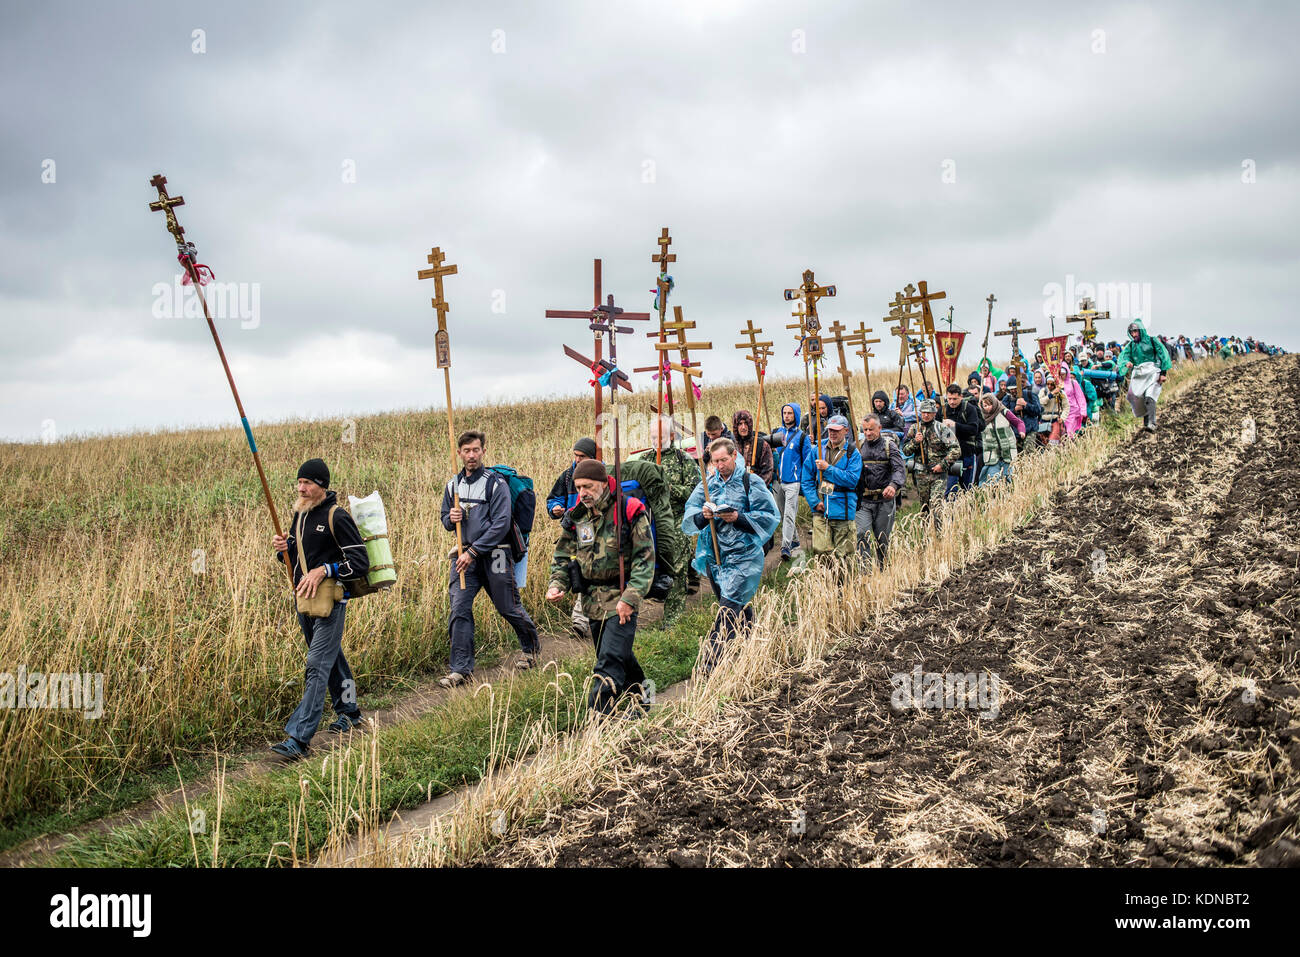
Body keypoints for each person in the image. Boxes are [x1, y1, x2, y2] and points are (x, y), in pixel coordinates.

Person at [270, 458, 371, 761]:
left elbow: (360, 562)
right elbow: (296, 559)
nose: (301, 488)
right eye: (299, 482)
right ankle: (350, 711)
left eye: (308, 483)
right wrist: (283, 550)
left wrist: (325, 570)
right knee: (331, 658)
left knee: (316, 663)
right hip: (304, 599)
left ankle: (299, 739)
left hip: (331, 602)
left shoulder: (336, 516)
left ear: (322, 486)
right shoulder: (300, 515)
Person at [546, 458, 655, 715]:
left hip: (620, 598)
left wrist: (630, 598)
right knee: (620, 657)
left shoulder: (628, 510)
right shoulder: (577, 517)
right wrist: (557, 583)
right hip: (591, 603)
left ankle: (599, 717)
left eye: (589, 486)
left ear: (604, 484)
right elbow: (562, 555)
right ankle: (645, 695)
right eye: (578, 487)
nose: (583, 492)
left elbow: (645, 559)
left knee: (608, 662)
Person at [440, 430, 541, 686]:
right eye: (466, 450)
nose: (471, 455)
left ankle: (531, 649)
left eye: (476, 450)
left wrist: (474, 552)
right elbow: (444, 520)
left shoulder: (496, 483)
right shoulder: (453, 486)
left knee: (507, 606)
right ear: (459, 453)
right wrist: (451, 519)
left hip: (496, 552)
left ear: (483, 451)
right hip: (464, 554)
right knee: (459, 608)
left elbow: (501, 524)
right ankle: (460, 670)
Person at [681, 438, 779, 673]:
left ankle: (710, 665)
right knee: (737, 605)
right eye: (715, 461)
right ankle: (753, 647)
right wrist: (704, 515)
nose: (720, 465)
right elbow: (690, 515)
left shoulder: (750, 482)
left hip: (743, 558)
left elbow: (768, 515)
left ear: (734, 456)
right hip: (716, 558)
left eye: (724, 459)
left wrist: (739, 518)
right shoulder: (707, 485)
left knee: (727, 609)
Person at [631, 415, 698, 621]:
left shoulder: (683, 460)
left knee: (677, 567)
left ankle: (672, 620)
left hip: (677, 519)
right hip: (650, 522)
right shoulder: (644, 462)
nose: (655, 441)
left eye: (659, 437)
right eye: (652, 437)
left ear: (670, 435)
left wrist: (668, 489)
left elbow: (694, 492)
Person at [545, 437, 598, 639]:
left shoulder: (601, 476)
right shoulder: (567, 477)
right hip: (571, 529)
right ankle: (582, 619)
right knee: (574, 568)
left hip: (591, 530)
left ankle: (580, 620)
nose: (577, 460)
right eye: (575, 456)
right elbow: (553, 498)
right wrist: (555, 509)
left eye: (582, 456)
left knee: (587, 568)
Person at [801, 414, 862, 559]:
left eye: (836, 430)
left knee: (844, 557)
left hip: (843, 510)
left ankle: (845, 582)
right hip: (821, 509)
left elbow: (852, 480)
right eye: (830, 430)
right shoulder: (817, 450)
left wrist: (828, 469)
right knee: (821, 551)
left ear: (846, 431)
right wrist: (814, 502)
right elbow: (806, 479)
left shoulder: (853, 453)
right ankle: (826, 581)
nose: (832, 433)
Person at [855, 413, 905, 569]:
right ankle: (866, 572)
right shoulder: (858, 447)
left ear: (880, 428)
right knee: (862, 534)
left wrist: (893, 485)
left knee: (882, 539)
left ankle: (883, 568)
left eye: (871, 429)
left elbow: (899, 469)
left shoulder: (889, 446)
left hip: (884, 501)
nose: (868, 433)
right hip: (864, 501)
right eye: (865, 430)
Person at [902, 400, 961, 530]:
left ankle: (940, 533)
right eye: (923, 412)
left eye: (929, 412)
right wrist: (915, 442)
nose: (926, 415)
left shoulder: (942, 429)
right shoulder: (914, 429)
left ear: (934, 413)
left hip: (938, 474)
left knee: (936, 504)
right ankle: (926, 534)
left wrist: (943, 465)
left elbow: (956, 449)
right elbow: (905, 450)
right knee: (924, 506)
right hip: (921, 474)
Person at [767, 402, 809, 561]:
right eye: (784, 413)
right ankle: (795, 540)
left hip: (793, 481)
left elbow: (806, 461)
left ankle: (785, 546)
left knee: (790, 514)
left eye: (790, 413)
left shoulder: (802, 437)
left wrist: (804, 483)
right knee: (784, 514)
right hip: (777, 481)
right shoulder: (776, 433)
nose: (786, 416)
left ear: (796, 415)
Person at [1114, 319, 1172, 432]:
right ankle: (1146, 424)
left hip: (1152, 371)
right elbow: (1123, 356)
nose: (1134, 334)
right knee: (1137, 397)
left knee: (1150, 396)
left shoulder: (1152, 341)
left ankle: (1152, 423)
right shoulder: (1131, 346)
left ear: (1141, 331)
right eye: (1132, 332)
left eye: (1136, 331)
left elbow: (1163, 355)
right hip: (1139, 373)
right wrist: (1127, 363)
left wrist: (1163, 373)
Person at [941, 383, 981, 493]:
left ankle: (968, 509)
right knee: (951, 487)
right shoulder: (944, 410)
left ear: (961, 397)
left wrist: (955, 425)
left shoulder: (969, 409)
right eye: (949, 399)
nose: (952, 402)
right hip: (953, 456)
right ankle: (950, 509)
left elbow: (974, 429)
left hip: (967, 453)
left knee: (967, 488)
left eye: (955, 399)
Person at [978, 394, 1017, 485]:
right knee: (992, 479)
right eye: (985, 406)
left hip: (1008, 452)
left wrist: (1021, 432)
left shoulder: (1004, 412)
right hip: (991, 453)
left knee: (1009, 478)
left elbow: (1018, 422)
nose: (988, 408)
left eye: (989, 405)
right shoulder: (981, 418)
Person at [731, 409, 774, 485]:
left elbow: (768, 471)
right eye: (740, 424)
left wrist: (756, 487)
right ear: (736, 427)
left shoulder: (762, 445)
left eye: (746, 423)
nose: (743, 427)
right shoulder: (731, 445)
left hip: (757, 489)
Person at [1039, 375, 1071, 445]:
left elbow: (1066, 407)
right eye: (1048, 384)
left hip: (1055, 420)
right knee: (1043, 442)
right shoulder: (1043, 391)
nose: (1049, 386)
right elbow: (1041, 402)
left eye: (1052, 384)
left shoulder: (1061, 394)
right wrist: (1051, 394)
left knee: (1053, 442)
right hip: (1043, 420)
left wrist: (1062, 418)